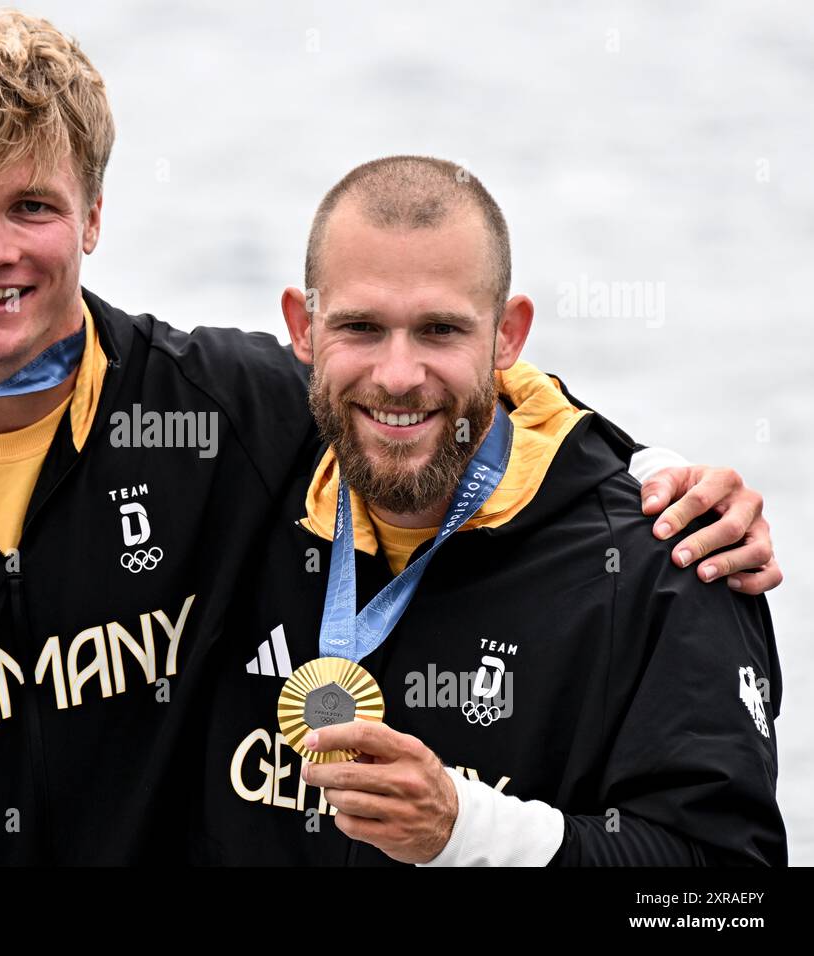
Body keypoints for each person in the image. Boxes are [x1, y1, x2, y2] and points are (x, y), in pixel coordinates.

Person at [0, 14, 778, 865]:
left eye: (32, 204)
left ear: (94, 213)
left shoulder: (204, 407)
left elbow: (409, 394)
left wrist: (657, 469)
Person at [195, 156, 784, 866]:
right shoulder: (230, 477)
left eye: (441, 330)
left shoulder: (670, 564)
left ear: (508, 334)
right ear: (303, 325)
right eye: (361, 327)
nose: (398, 376)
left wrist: (469, 834)